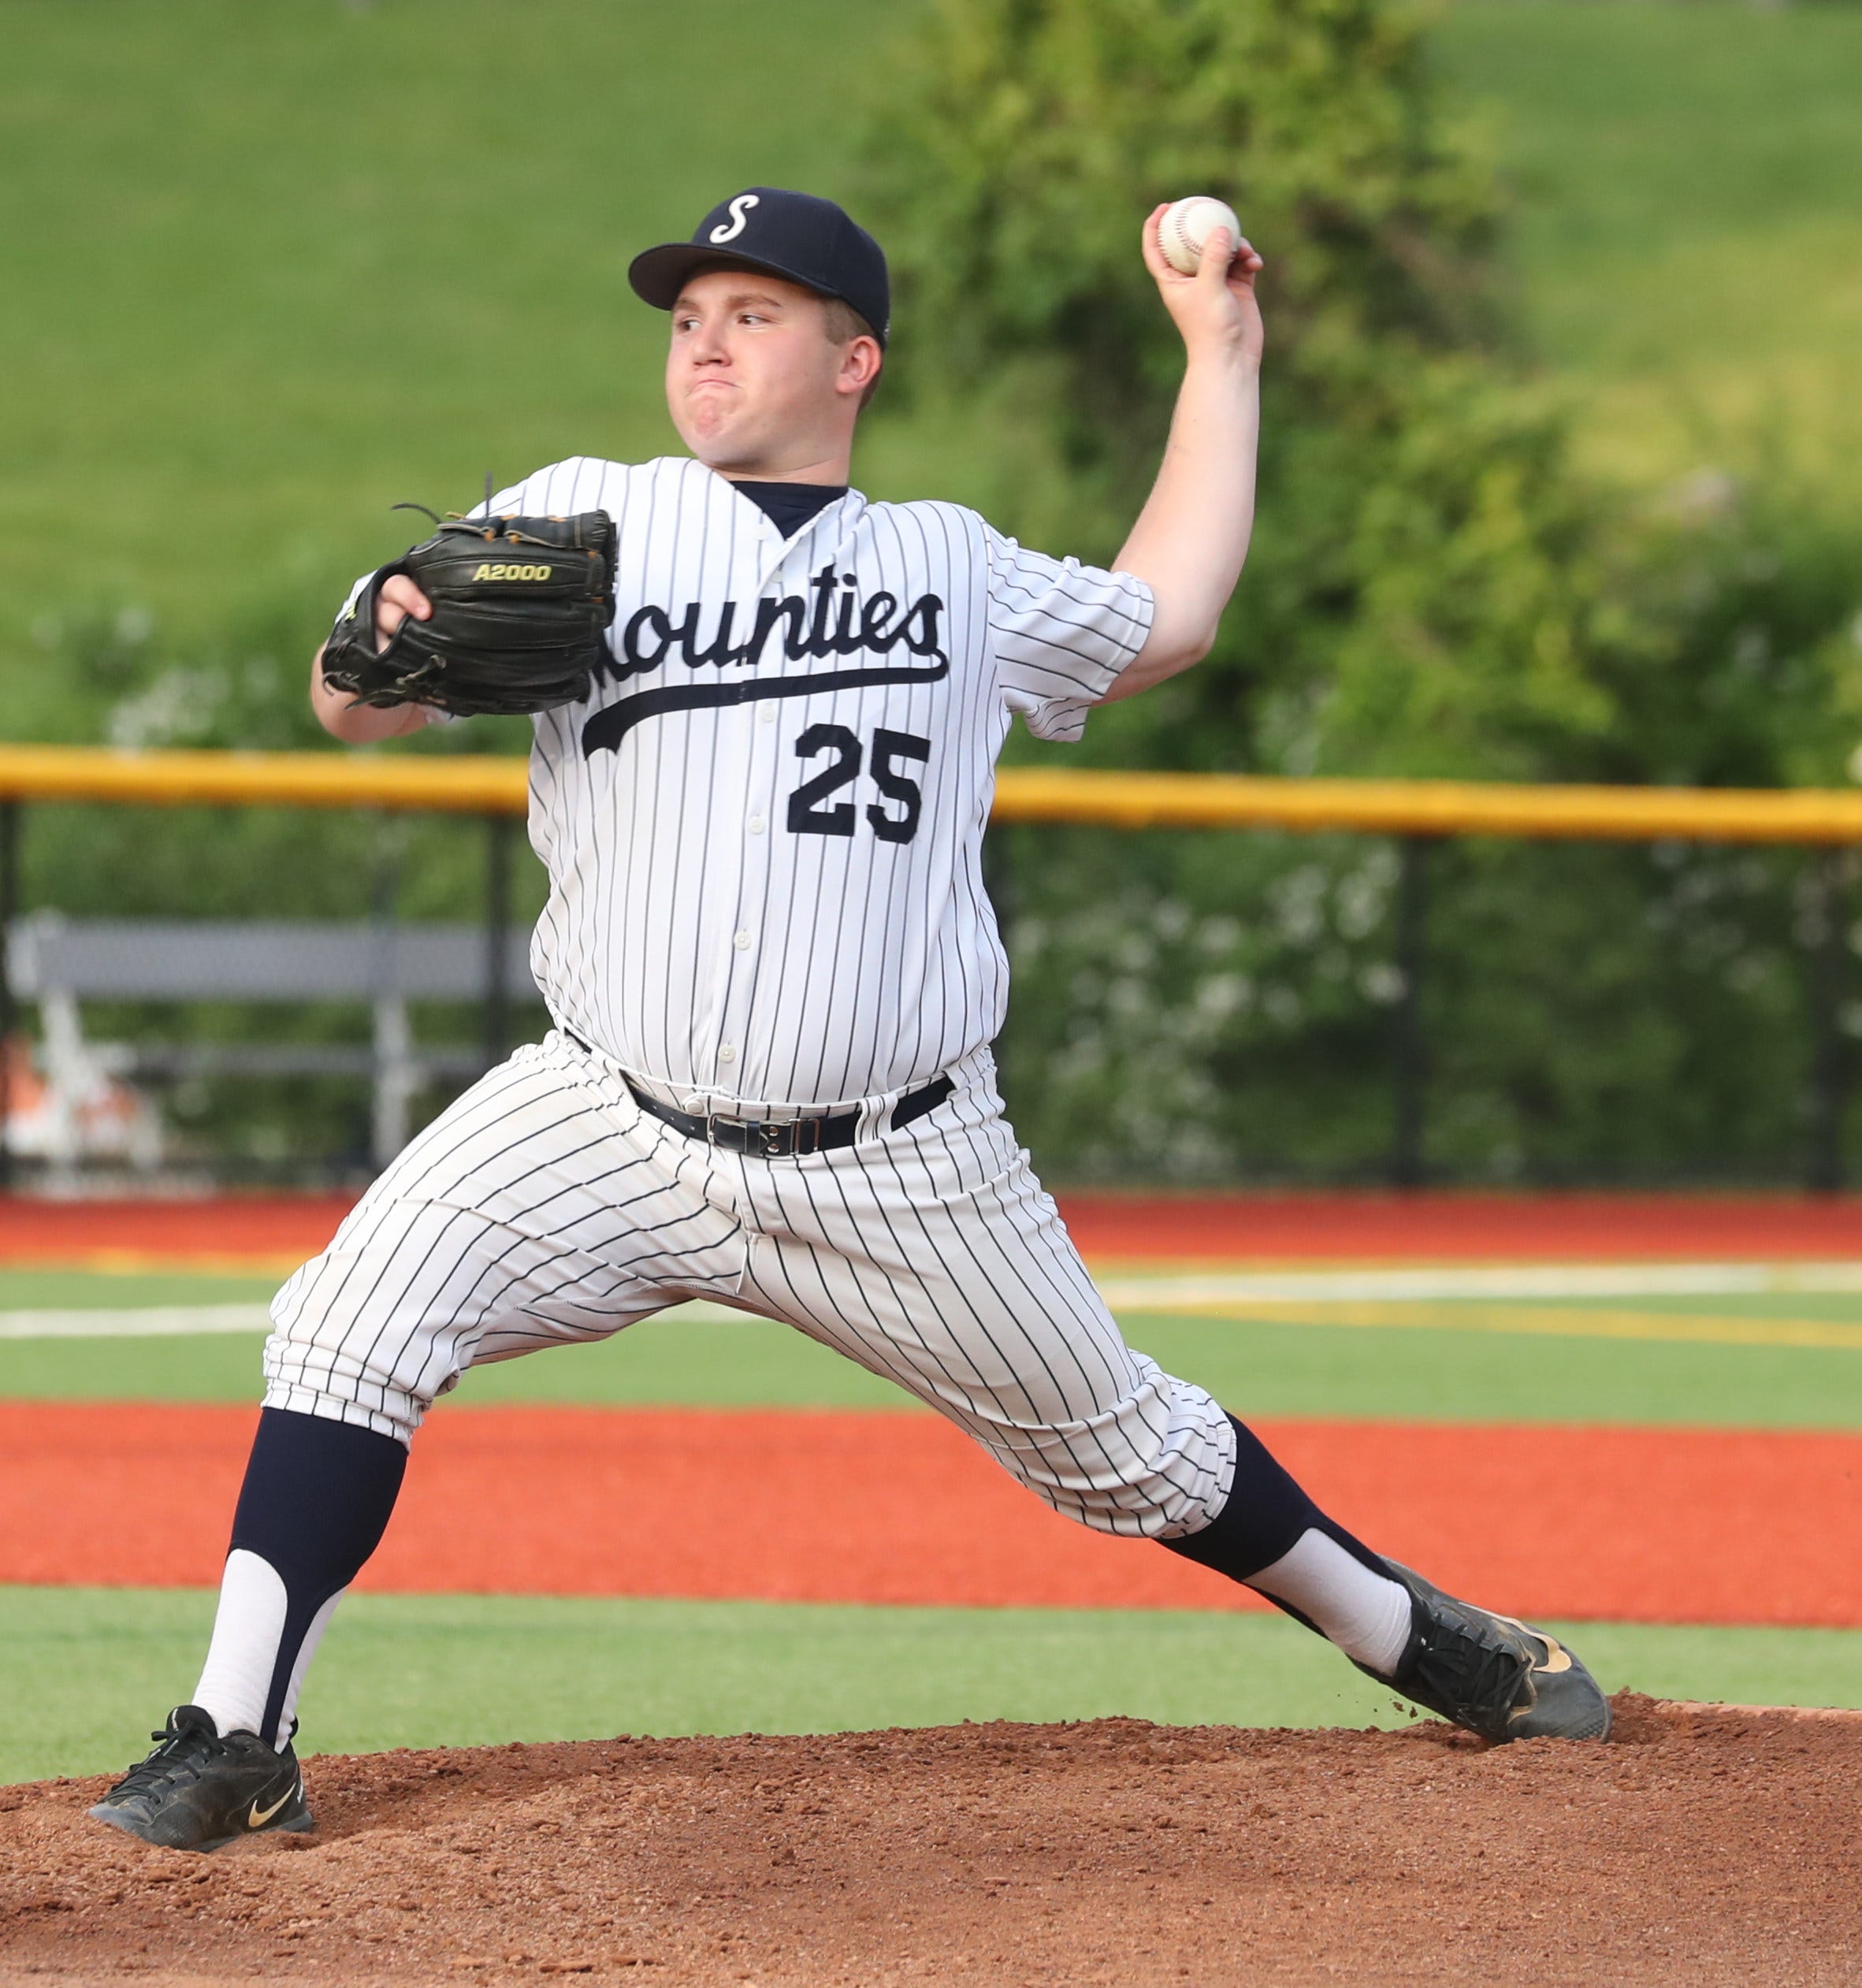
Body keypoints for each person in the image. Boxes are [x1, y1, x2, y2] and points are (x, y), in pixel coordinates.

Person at [90, 188, 1608, 1853]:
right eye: (687, 320)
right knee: (347, 1326)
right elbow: (350, 708)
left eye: (752, 314)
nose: (705, 345)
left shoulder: (953, 564)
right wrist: (377, 636)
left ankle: (1407, 1632)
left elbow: (1170, 615)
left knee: (1132, 1455)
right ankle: (240, 1735)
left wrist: (1222, 349)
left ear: (853, 360)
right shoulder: (584, 518)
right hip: (606, 1116)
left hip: (901, 1159)